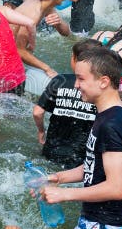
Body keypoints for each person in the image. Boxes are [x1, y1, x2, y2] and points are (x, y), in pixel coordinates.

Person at [40, 46, 122, 229]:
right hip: (105, 223)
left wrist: (65, 194)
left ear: (103, 81)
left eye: (81, 79)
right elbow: (95, 164)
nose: (76, 85)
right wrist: (58, 178)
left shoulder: (112, 124)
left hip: (105, 226)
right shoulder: (112, 112)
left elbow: (116, 188)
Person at [33, 39, 100, 169]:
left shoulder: (60, 80)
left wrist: (41, 131)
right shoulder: (98, 88)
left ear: (75, 59)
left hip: (52, 150)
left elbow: (38, 112)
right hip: (81, 157)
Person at [11, 0, 71, 94]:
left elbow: (66, 33)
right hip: (2, 51)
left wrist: (59, 23)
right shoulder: (33, 14)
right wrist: (47, 68)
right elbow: (20, 51)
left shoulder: (45, 1)